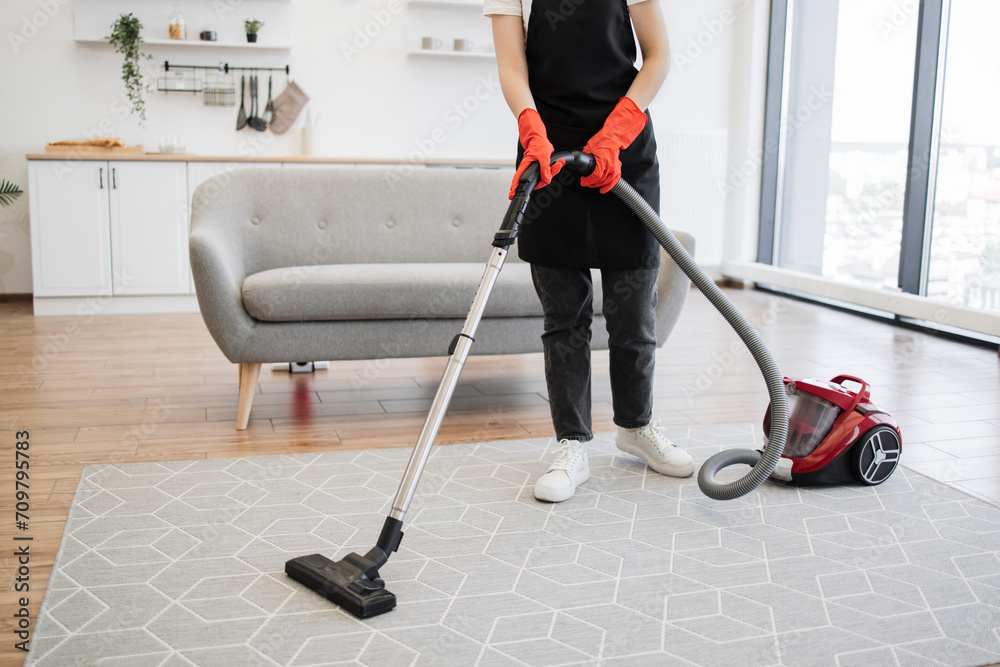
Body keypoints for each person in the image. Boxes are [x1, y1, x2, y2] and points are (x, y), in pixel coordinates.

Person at [485, 0, 694, 502]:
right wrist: (531, 129)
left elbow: (658, 57)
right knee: (564, 315)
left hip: (624, 148)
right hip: (549, 151)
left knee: (634, 308)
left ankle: (636, 427)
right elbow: (512, 67)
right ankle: (572, 443)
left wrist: (616, 133)